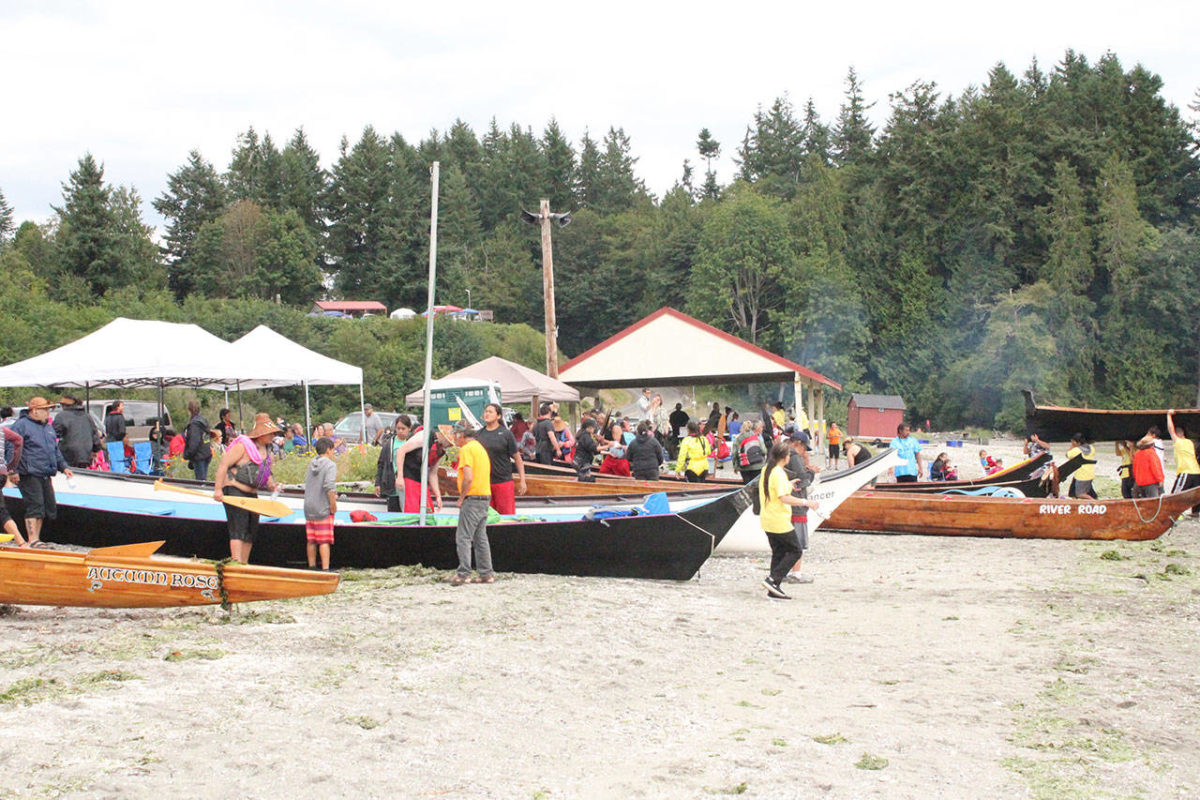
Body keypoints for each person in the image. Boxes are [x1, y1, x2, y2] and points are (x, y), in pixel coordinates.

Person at [213, 413, 282, 563]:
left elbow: (266, 473)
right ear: (261, 434)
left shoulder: (268, 450)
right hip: (234, 489)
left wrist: (272, 485)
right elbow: (223, 465)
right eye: (270, 433)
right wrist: (218, 489)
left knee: (251, 531)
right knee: (239, 529)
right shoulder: (242, 446)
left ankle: (244, 563)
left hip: (252, 494)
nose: (273, 436)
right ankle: (236, 563)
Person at [759, 440, 820, 600]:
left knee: (778, 552)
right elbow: (783, 498)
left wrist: (788, 484)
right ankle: (773, 580)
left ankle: (773, 588)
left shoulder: (767, 469)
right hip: (779, 519)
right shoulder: (778, 472)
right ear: (785, 457)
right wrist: (806, 502)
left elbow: (774, 488)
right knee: (795, 550)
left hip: (767, 518)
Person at [11, 397, 74, 547]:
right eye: (45, 409)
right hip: (28, 472)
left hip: (45, 471)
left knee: (46, 506)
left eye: (49, 409)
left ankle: (36, 538)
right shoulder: (20, 426)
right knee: (35, 505)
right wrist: (13, 470)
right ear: (34, 410)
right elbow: (11, 448)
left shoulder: (47, 427)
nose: (48, 413)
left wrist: (64, 467)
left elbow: (54, 450)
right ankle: (33, 539)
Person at [449, 420, 494, 585]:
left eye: (455, 434)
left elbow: (468, 477)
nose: (454, 437)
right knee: (480, 537)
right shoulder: (480, 448)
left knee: (463, 537)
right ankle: (486, 573)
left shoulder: (466, 450)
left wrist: (461, 498)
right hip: (484, 496)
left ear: (461, 435)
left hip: (472, 498)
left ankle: (463, 574)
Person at [783, 431, 821, 584]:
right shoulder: (794, 456)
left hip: (783, 504)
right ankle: (796, 573)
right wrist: (812, 471)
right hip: (797, 504)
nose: (805, 451)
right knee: (798, 541)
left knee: (784, 541)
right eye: (805, 447)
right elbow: (804, 481)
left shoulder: (780, 453)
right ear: (798, 443)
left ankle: (781, 571)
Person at [476, 402, 527, 515]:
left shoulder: (506, 434)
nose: (487, 414)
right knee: (486, 517)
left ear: (498, 416)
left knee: (506, 515)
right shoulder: (478, 435)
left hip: (503, 481)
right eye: (485, 412)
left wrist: (522, 480)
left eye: (490, 412)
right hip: (485, 483)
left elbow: (518, 459)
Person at [390, 415, 443, 514]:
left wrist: (438, 495)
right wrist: (400, 477)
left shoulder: (442, 448)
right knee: (411, 513)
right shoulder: (425, 436)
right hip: (409, 478)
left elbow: (433, 473)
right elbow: (401, 451)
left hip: (421, 481)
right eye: (399, 428)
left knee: (427, 512)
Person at [304, 437, 338, 571]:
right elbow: (329, 486)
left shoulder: (311, 463)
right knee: (324, 541)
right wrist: (333, 504)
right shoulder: (330, 465)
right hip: (322, 507)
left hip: (309, 506)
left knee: (311, 540)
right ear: (328, 450)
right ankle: (325, 569)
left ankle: (311, 567)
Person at [1167, 410, 1200, 517]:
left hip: (1186, 471)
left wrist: (1168, 415)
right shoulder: (1190, 442)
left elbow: (1170, 429)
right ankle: (1196, 512)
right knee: (1196, 495)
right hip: (1197, 471)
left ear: (1177, 434)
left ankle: (1172, 512)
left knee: (1176, 494)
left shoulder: (1178, 442)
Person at [53, 395, 100, 469]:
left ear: (64, 406)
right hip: (85, 455)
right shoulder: (87, 416)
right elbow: (95, 436)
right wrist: (95, 449)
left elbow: (54, 434)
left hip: (68, 454)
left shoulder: (61, 416)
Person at [182, 401, 214, 482]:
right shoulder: (203, 422)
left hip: (199, 456)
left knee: (200, 482)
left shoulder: (194, 425)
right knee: (204, 480)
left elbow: (194, 443)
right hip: (206, 453)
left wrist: (187, 455)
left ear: (189, 411)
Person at [1066, 433, 1098, 499]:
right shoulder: (1091, 448)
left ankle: (1095, 503)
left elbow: (1067, 454)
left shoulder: (1077, 450)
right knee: (1073, 493)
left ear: (1076, 442)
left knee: (1080, 494)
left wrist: (1072, 446)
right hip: (1089, 473)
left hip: (1082, 476)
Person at [734, 420, 767, 485]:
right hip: (757, 466)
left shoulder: (738, 438)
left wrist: (736, 467)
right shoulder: (756, 438)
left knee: (747, 486)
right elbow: (764, 451)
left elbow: (734, 453)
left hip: (744, 466)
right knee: (756, 486)